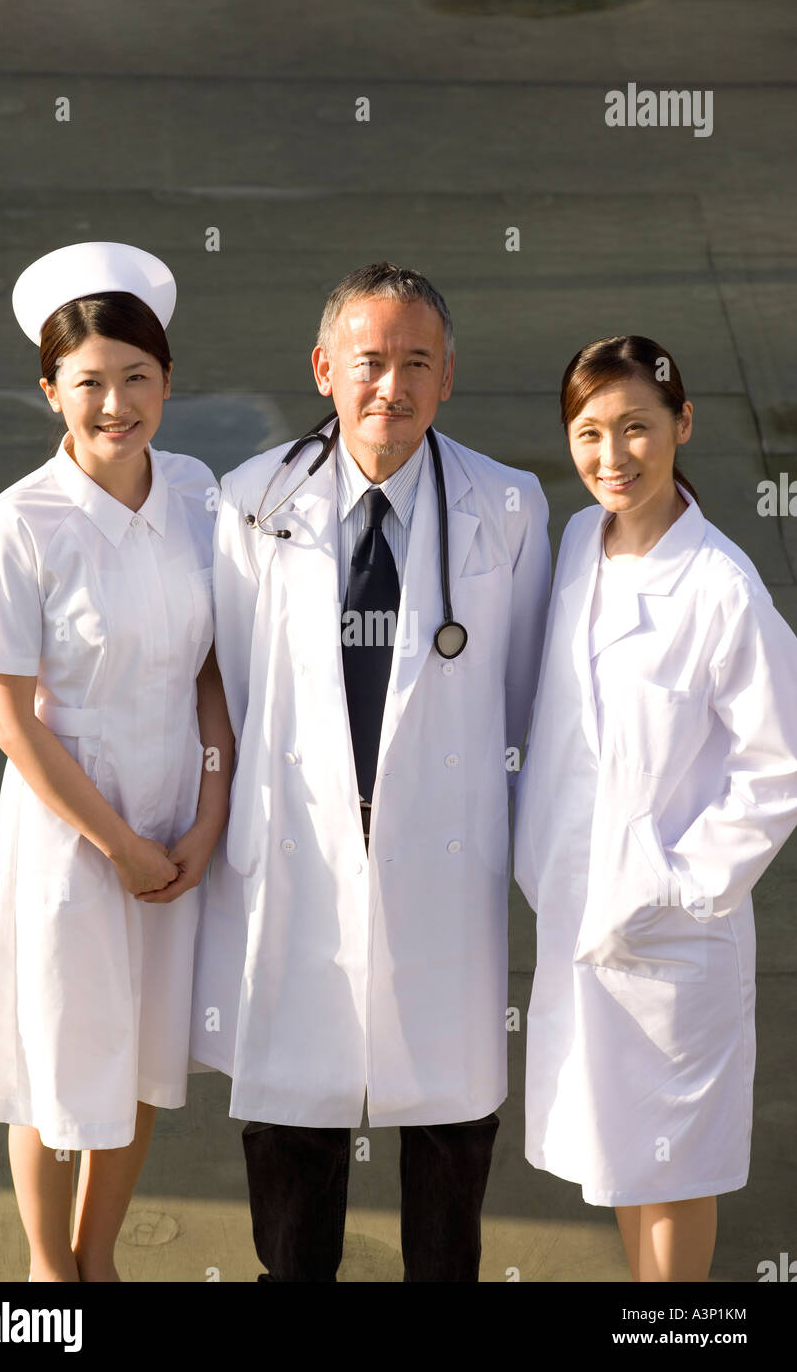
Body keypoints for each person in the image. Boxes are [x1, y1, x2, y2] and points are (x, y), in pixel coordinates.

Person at [190, 261, 551, 1282]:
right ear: (322, 370)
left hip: (441, 856)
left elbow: (523, 703)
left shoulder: (509, 507)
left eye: (414, 363)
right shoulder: (250, 501)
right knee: (292, 1132)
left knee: (445, 1137)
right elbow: (244, 687)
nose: (388, 385)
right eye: (367, 362)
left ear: (447, 379)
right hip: (299, 851)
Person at [0, 242, 233, 1283]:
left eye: (137, 378)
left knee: (144, 1055)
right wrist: (115, 843)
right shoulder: (20, 522)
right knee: (56, 1054)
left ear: (165, 382)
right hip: (70, 826)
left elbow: (213, 673)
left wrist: (205, 818)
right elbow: (13, 721)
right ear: (50, 392)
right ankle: (48, 1272)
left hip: (175, 812)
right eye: (89, 383)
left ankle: (100, 1257)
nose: (115, 404)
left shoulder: (201, 494)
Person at [514, 334, 797, 1282]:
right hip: (583, 918)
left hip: (674, 938)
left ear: (682, 424)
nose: (612, 455)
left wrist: (679, 883)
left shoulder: (722, 588)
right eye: (589, 431)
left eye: (636, 427)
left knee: (677, 1170)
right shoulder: (576, 545)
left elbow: (779, 766)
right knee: (624, 1159)